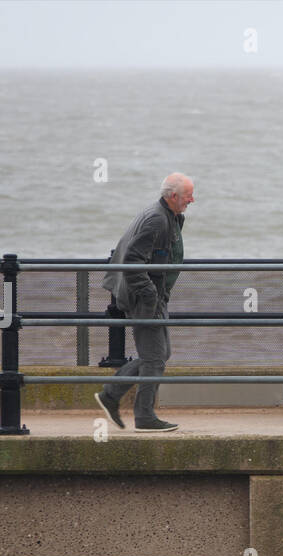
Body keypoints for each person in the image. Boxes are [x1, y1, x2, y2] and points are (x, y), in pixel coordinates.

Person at [94, 173, 194, 432]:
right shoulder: (156, 220)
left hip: (153, 295)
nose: (191, 200)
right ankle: (144, 416)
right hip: (144, 297)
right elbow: (132, 262)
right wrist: (150, 295)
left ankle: (111, 394)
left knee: (160, 354)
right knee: (154, 357)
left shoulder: (168, 216)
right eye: (187, 196)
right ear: (173, 196)